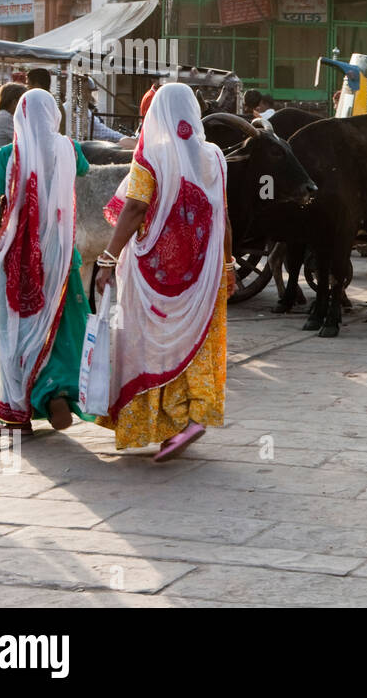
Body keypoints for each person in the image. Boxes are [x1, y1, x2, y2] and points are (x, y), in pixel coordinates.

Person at [95, 83, 236, 461]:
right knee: (198, 343)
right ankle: (192, 417)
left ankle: (161, 421)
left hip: (153, 273)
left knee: (148, 344)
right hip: (202, 274)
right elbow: (222, 215)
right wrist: (228, 264)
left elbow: (135, 209)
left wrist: (108, 258)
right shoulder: (214, 157)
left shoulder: (151, 157)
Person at [0, 89, 91, 436]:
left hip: (17, 262)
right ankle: (56, 391)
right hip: (62, 259)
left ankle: (17, 415)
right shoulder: (71, 151)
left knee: (17, 335)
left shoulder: (7, 157)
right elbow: (82, 171)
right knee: (63, 330)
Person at [0, 82, 27, 167]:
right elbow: (24, 140)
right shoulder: (5, 118)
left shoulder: (5, 116)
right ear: (14, 103)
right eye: (23, 102)